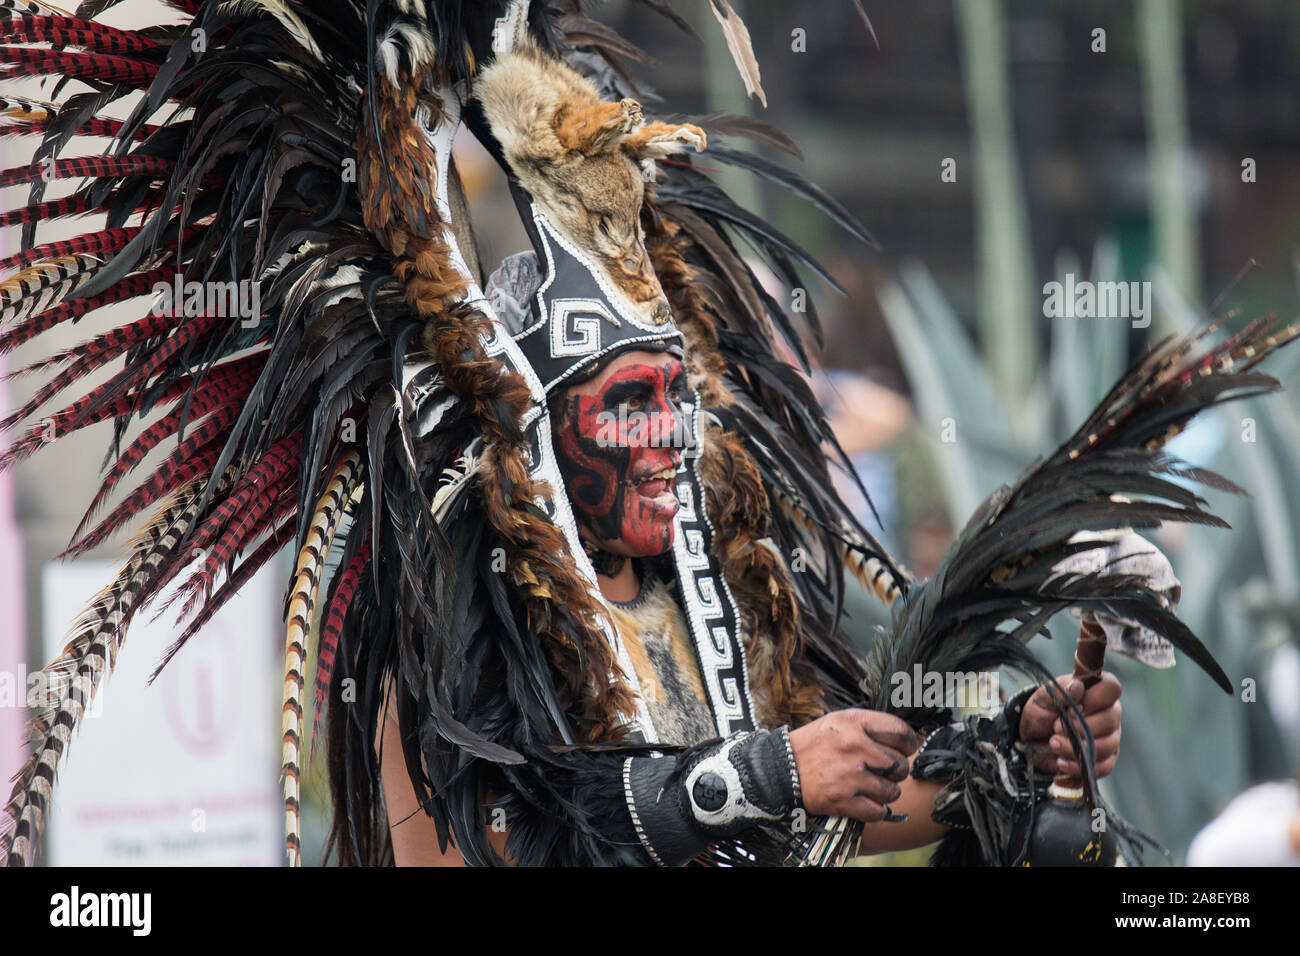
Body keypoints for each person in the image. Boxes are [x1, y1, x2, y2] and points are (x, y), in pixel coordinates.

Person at [2, 0, 1283, 869]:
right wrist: (764, 775)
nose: (668, 434)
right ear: (543, 435)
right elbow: (506, 823)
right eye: (629, 406)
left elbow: (846, 781)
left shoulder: (714, 594)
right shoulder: (449, 622)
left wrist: (1013, 754)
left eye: (675, 400)